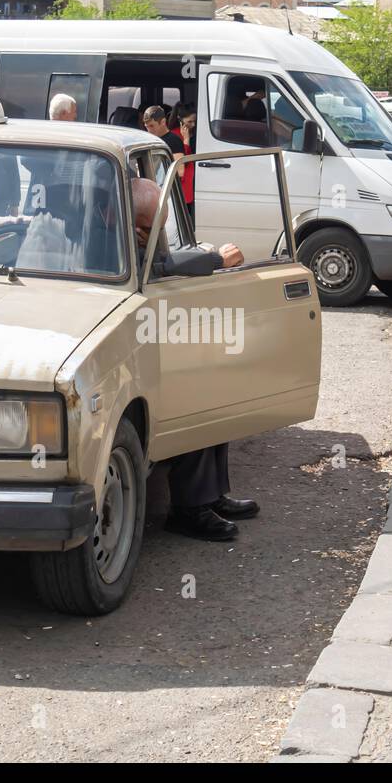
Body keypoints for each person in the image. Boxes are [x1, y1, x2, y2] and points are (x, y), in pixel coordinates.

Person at [130, 178, 254, 541]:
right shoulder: (121, 242)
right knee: (196, 398)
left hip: (153, 340)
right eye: (154, 227)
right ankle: (188, 509)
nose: (157, 234)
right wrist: (216, 258)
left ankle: (211, 495)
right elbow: (165, 266)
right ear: (140, 227)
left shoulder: (138, 235)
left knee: (215, 385)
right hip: (136, 354)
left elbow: (167, 262)